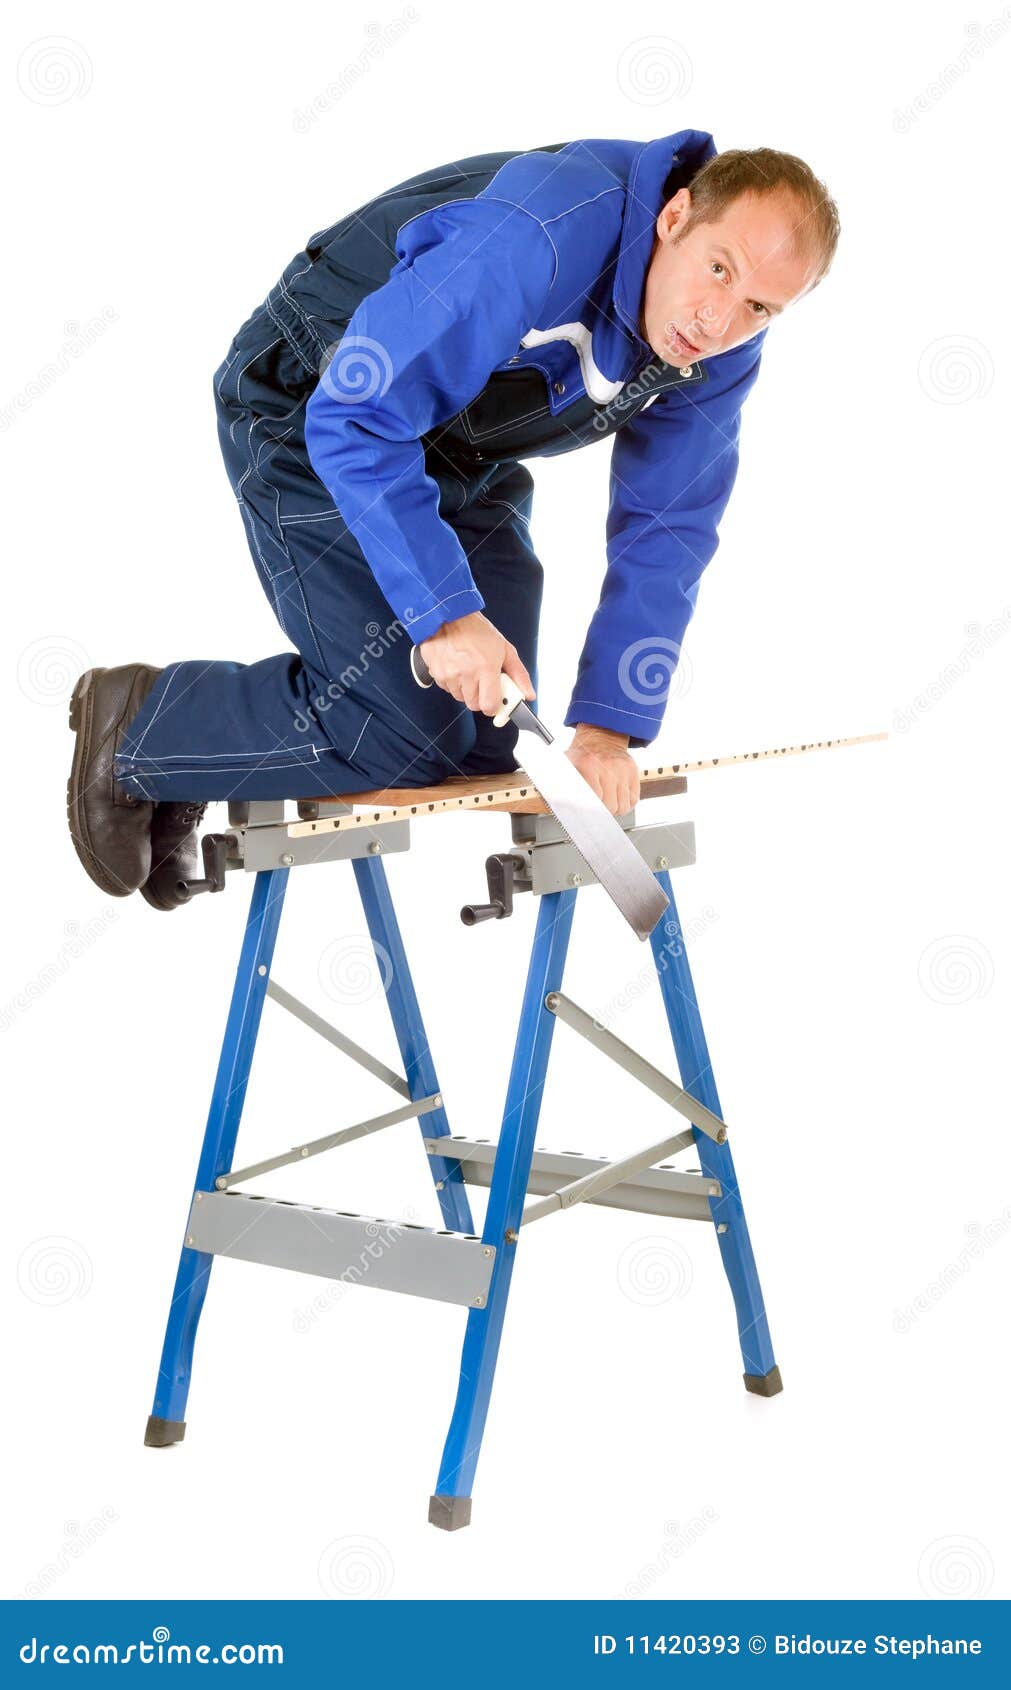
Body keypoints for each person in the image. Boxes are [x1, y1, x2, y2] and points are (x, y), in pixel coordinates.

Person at [66, 128, 838, 910]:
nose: (717, 319)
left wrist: (609, 728)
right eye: (718, 269)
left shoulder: (715, 348)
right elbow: (358, 415)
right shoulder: (535, 236)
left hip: (455, 449)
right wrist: (445, 617)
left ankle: (200, 751)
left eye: (757, 306)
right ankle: (144, 728)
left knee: (484, 737)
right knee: (392, 731)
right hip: (315, 405)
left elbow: (668, 526)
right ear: (675, 217)